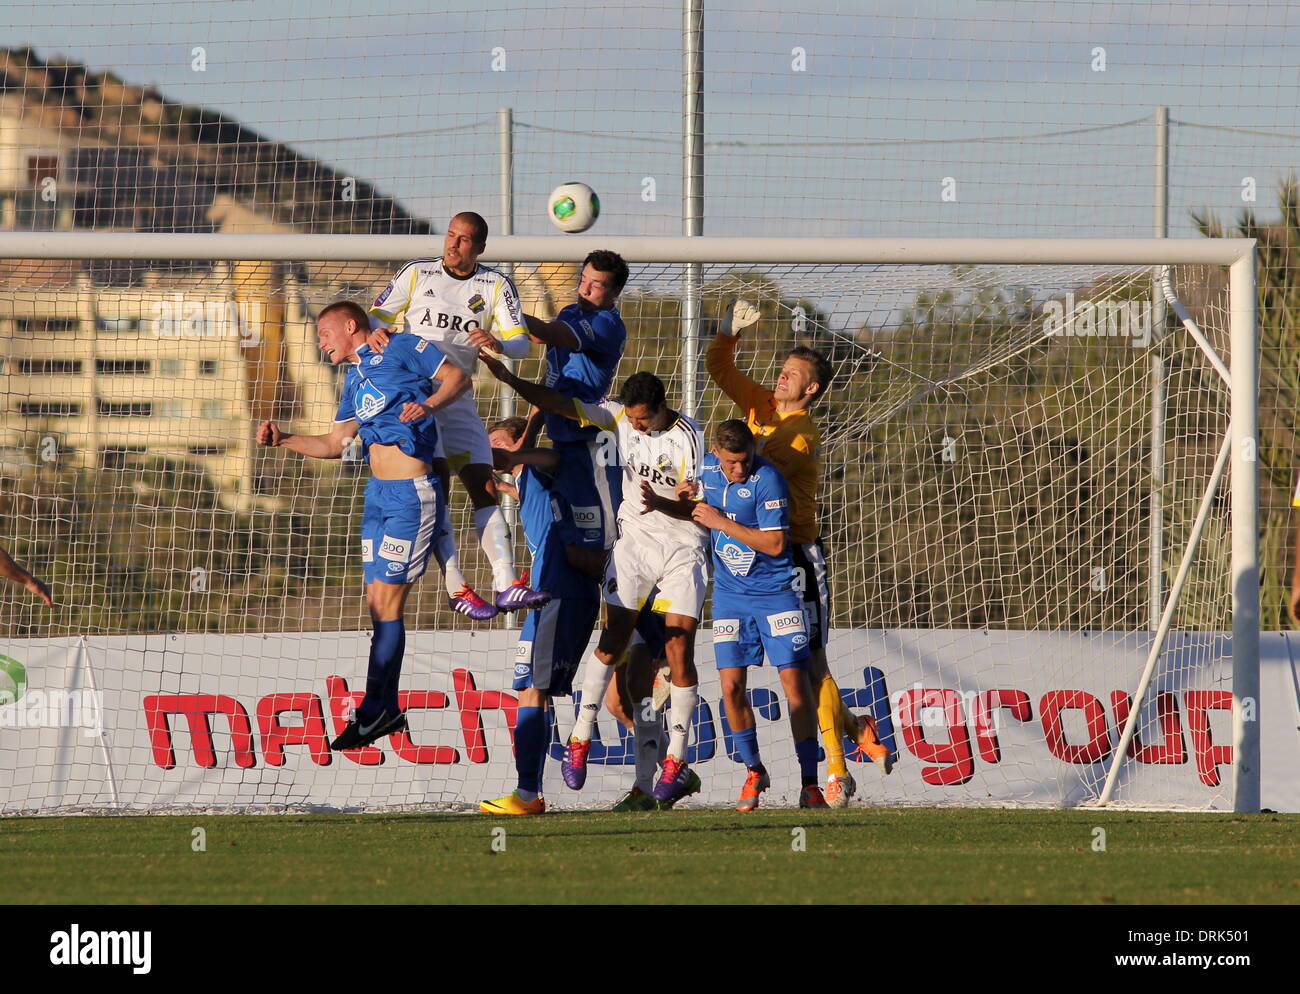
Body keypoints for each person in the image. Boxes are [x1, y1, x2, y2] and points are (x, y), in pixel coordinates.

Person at [478, 356, 708, 805]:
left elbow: (695, 509)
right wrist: (511, 379)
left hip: (681, 551)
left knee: (666, 660)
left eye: (644, 421)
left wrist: (664, 503)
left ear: (662, 408)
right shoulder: (615, 418)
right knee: (620, 661)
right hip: (633, 549)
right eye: (632, 420)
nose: (636, 428)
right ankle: (588, 743)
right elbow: (558, 401)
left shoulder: (688, 436)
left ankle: (673, 763)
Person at [257, 301, 470, 750]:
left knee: (388, 604)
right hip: (376, 496)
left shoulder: (399, 346)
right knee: (377, 606)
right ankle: (383, 708)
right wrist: (285, 440)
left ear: (351, 326)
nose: (321, 343)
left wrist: (427, 406)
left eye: (325, 334)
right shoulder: (353, 379)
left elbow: (458, 377)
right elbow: (336, 443)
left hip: (412, 495)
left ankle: (376, 710)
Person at [707, 299, 892, 808]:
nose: (781, 379)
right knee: (784, 674)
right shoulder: (762, 406)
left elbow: (753, 465)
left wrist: (729, 453)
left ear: (811, 389)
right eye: (781, 371)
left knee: (812, 667)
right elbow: (719, 368)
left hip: (795, 560)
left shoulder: (799, 435)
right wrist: (726, 331)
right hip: (742, 564)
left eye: (792, 376)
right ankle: (854, 730)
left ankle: (833, 772)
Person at [367, 211, 549, 617]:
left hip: (459, 396)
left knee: (482, 484)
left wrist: (499, 343)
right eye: (451, 235)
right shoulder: (418, 273)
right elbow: (374, 318)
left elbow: (522, 344)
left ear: (480, 247)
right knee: (438, 495)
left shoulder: (496, 285)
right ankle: (457, 586)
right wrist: (377, 328)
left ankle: (506, 585)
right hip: (417, 399)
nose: (453, 244)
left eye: (464, 239)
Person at [692, 420, 825, 809]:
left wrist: (720, 523)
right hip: (731, 599)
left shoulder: (768, 479)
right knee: (731, 689)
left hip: (776, 597)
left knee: (796, 689)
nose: (740, 468)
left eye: (745, 459)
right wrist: (686, 498)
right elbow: (694, 504)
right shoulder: (703, 471)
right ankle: (754, 771)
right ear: (717, 453)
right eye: (732, 462)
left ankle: (809, 783)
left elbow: (774, 542)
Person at [477, 416, 600, 815]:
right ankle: (658, 770)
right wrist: (502, 487)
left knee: (532, 690)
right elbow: (526, 494)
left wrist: (535, 413)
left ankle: (527, 795)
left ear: (518, 444)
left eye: (496, 440)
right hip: (555, 593)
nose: (490, 445)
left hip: (556, 594)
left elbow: (539, 463)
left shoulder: (540, 467)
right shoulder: (527, 480)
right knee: (537, 691)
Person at [473, 250, 630, 557]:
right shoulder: (571, 312)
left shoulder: (605, 324)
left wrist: (498, 305)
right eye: (583, 279)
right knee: (567, 546)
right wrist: (529, 435)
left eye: (595, 285)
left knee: (598, 553)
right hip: (562, 438)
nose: (583, 289)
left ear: (615, 292)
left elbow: (545, 332)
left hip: (590, 443)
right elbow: (550, 374)